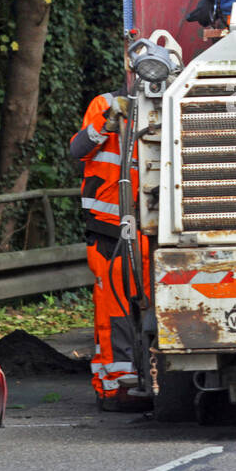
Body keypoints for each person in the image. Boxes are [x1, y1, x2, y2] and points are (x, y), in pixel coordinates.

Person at [69, 91, 151, 411]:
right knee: (114, 310)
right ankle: (115, 385)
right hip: (109, 228)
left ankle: (147, 377)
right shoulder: (105, 105)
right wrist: (107, 123)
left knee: (148, 310)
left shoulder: (176, 98)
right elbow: (77, 150)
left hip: (152, 228)